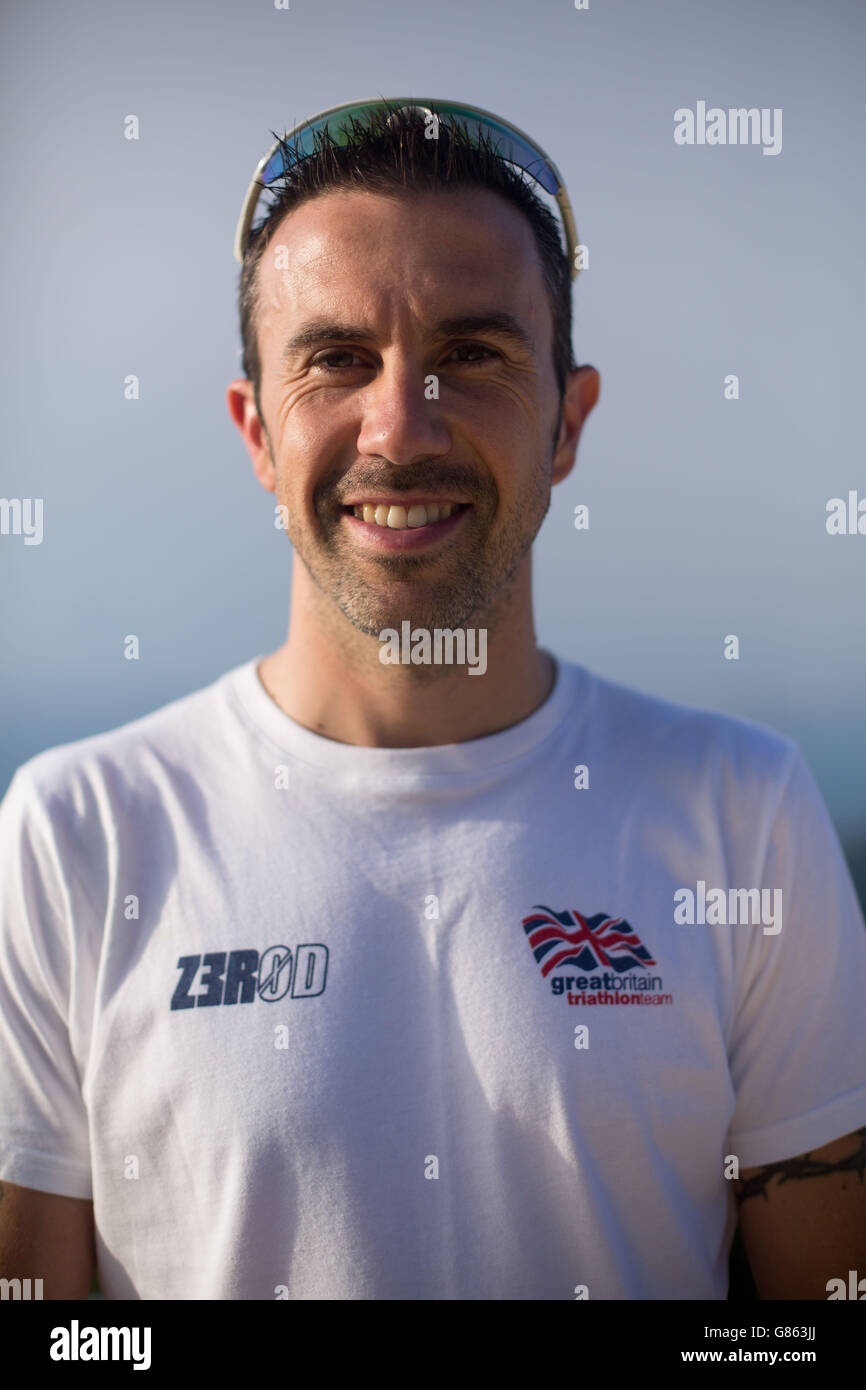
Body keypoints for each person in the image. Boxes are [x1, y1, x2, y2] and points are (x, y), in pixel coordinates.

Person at [1, 99, 864, 1302]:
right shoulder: (76, 838)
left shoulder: (742, 812)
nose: (400, 428)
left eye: (472, 354)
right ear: (254, 429)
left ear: (568, 419)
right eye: (336, 359)